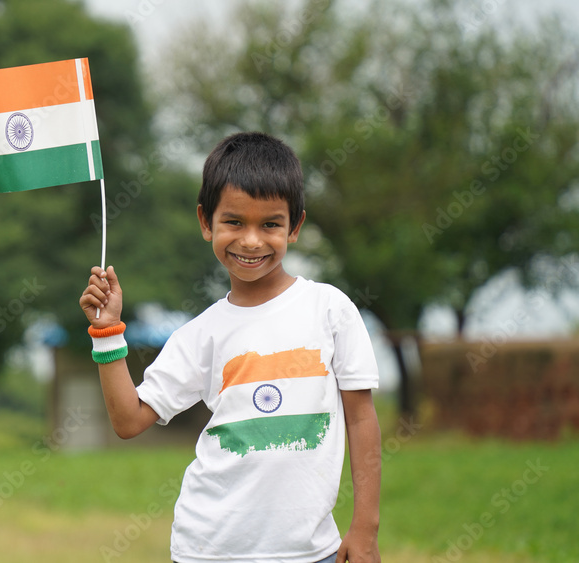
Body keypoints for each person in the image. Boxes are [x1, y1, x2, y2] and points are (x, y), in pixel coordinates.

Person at [79, 132, 382, 563]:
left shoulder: (330, 310)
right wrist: (108, 332)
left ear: (295, 226)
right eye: (234, 222)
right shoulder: (200, 335)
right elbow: (129, 420)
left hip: (313, 552)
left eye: (271, 224)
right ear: (207, 222)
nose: (252, 241)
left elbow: (361, 419)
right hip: (209, 550)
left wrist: (365, 529)